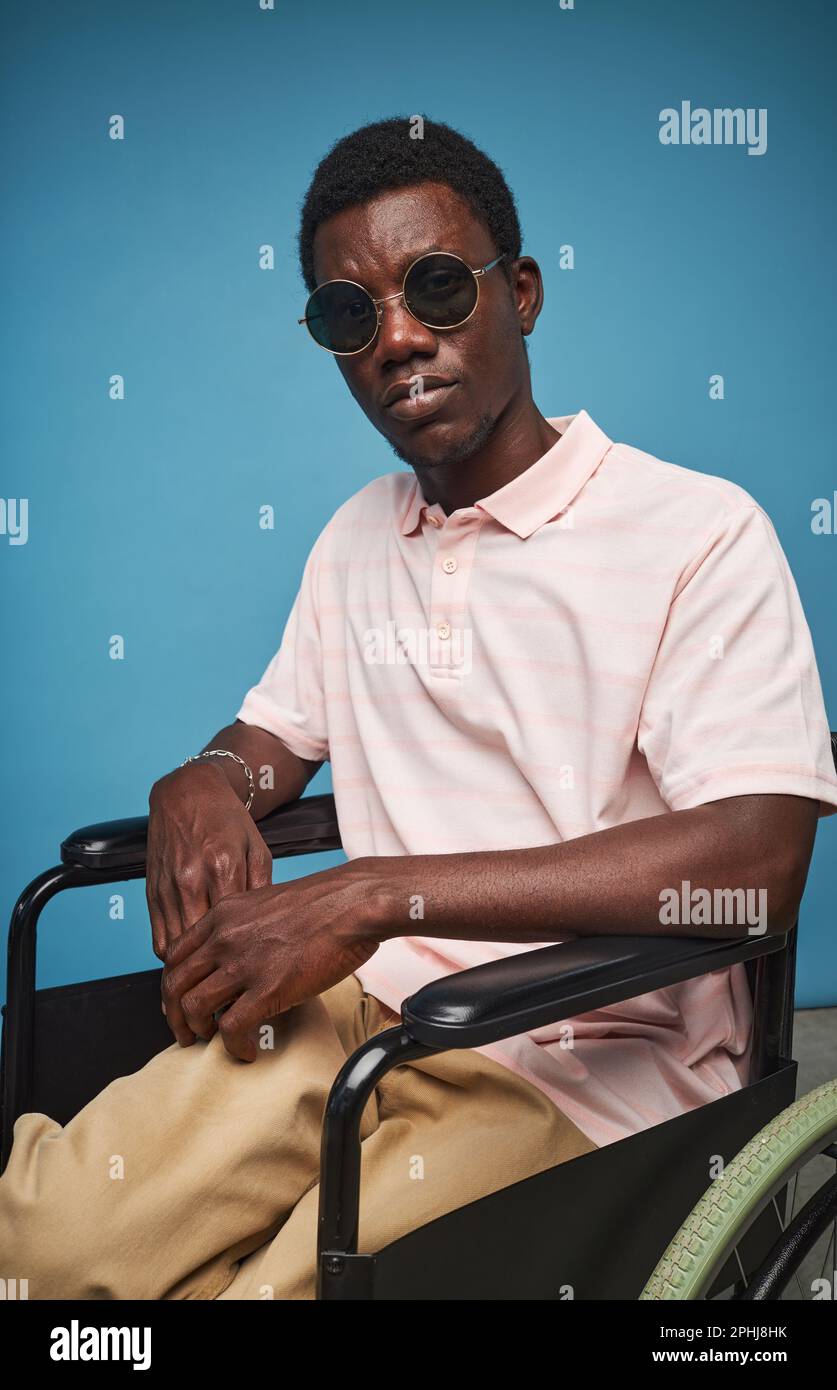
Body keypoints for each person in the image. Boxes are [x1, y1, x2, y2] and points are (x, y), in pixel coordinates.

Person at [2, 116, 836, 1301]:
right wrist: (199, 780)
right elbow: (272, 742)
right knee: (47, 1250)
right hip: (353, 1011)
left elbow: (758, 861)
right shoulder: (355, 541)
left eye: (437, 289)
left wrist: (379, 891)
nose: (398, 338)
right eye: (351, 314)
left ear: (524, 293)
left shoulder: (698, 534)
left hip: (579, 1062)